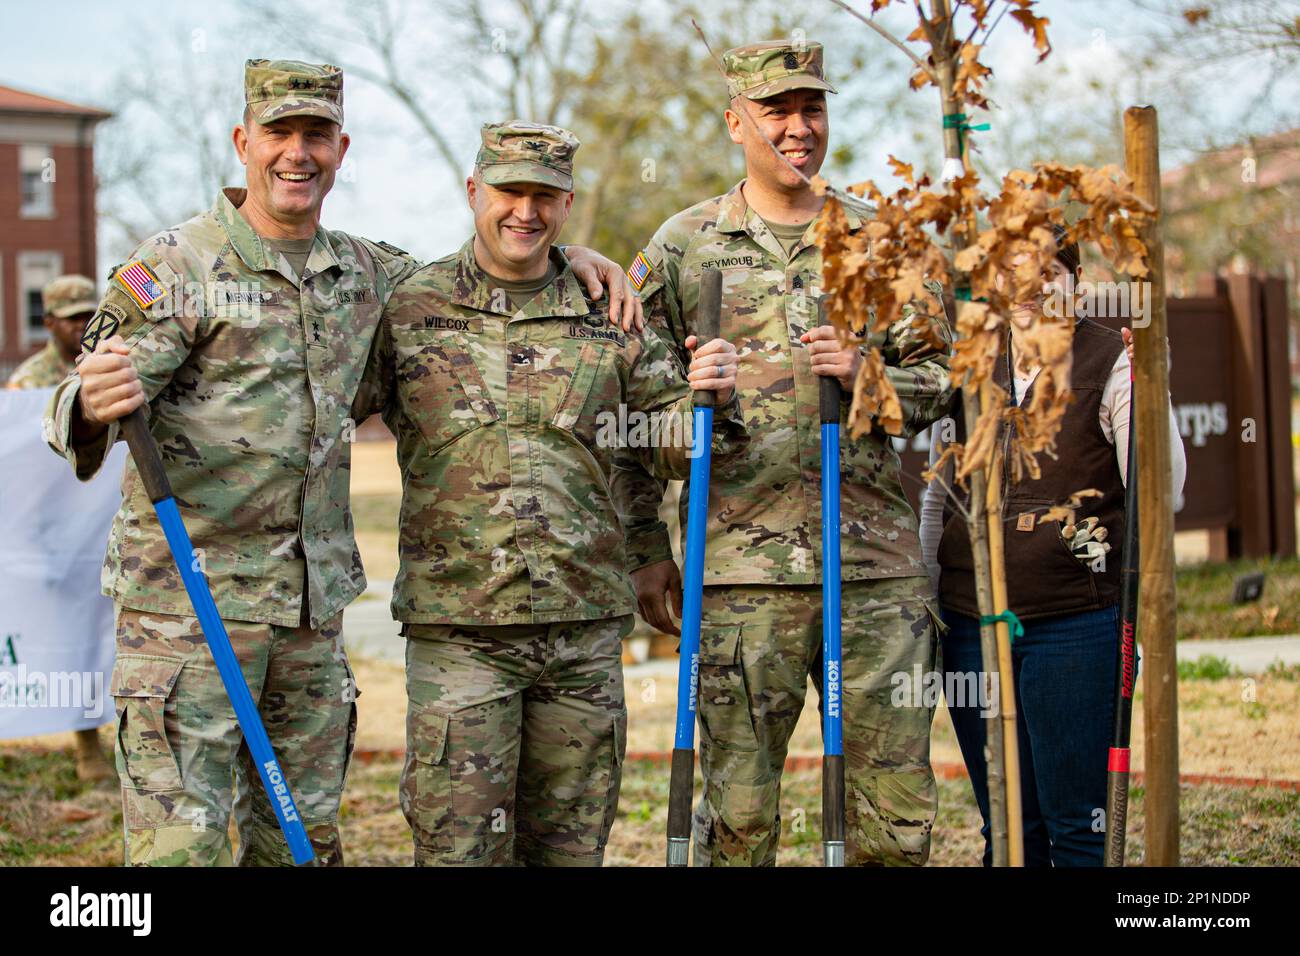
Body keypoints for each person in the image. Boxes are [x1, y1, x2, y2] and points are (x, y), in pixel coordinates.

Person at [43, 61, 635, 867]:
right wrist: (87, 402)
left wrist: (578, 260)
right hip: (188, 613)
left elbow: (488, 271)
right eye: (279, 133)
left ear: (340, 147)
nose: (297, 153)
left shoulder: (371, 275)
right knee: (180, 852)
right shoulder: (177, 268)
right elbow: (85, 404)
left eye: (315, 135)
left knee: (302, 845)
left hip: (310, 624)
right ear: (242, 142)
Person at [352, 121, 746, 866]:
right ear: (474, 192)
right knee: (458, 849)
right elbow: (332, 397)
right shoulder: (409, 307)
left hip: (582, 631)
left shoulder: (611, 311)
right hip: (461, 633)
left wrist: (707, 400)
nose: (524, 212)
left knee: (569, 851)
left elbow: (666, 442)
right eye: (508, 191)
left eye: (545, 195)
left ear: (567, 204)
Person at [611, 41, 953, 866]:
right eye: (776, 112)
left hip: (871, 570)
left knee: (897, 821)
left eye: (812, 110)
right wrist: (650, 545)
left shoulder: (882, 242)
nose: (798, 129)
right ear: (737, 122)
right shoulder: (684, 245)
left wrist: (871, 380)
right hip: (736, 580)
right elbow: (626, 406)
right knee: (737, 822)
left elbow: (950, 377)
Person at [920, 225, 1188, 866]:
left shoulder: (1111, 360)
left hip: (1078, 625)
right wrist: (930, 597)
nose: (1032, 287)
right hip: (971, 627)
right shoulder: (970, 369)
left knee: (1077, 829)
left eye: (1049, 271)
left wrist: (1154, 391)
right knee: (1009, 831)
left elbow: (1164, 491)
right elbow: (940, 499)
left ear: (1076, 282)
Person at [6, 274, 115, 783]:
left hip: (97, 524)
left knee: (100, 625)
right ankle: (83, 740)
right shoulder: (26, 385)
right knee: (60, 632)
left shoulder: (105, 367)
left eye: (87, 314)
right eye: (71, 317)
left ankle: (103, 731)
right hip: (48, 531)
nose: (82, 325)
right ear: (48, 322)